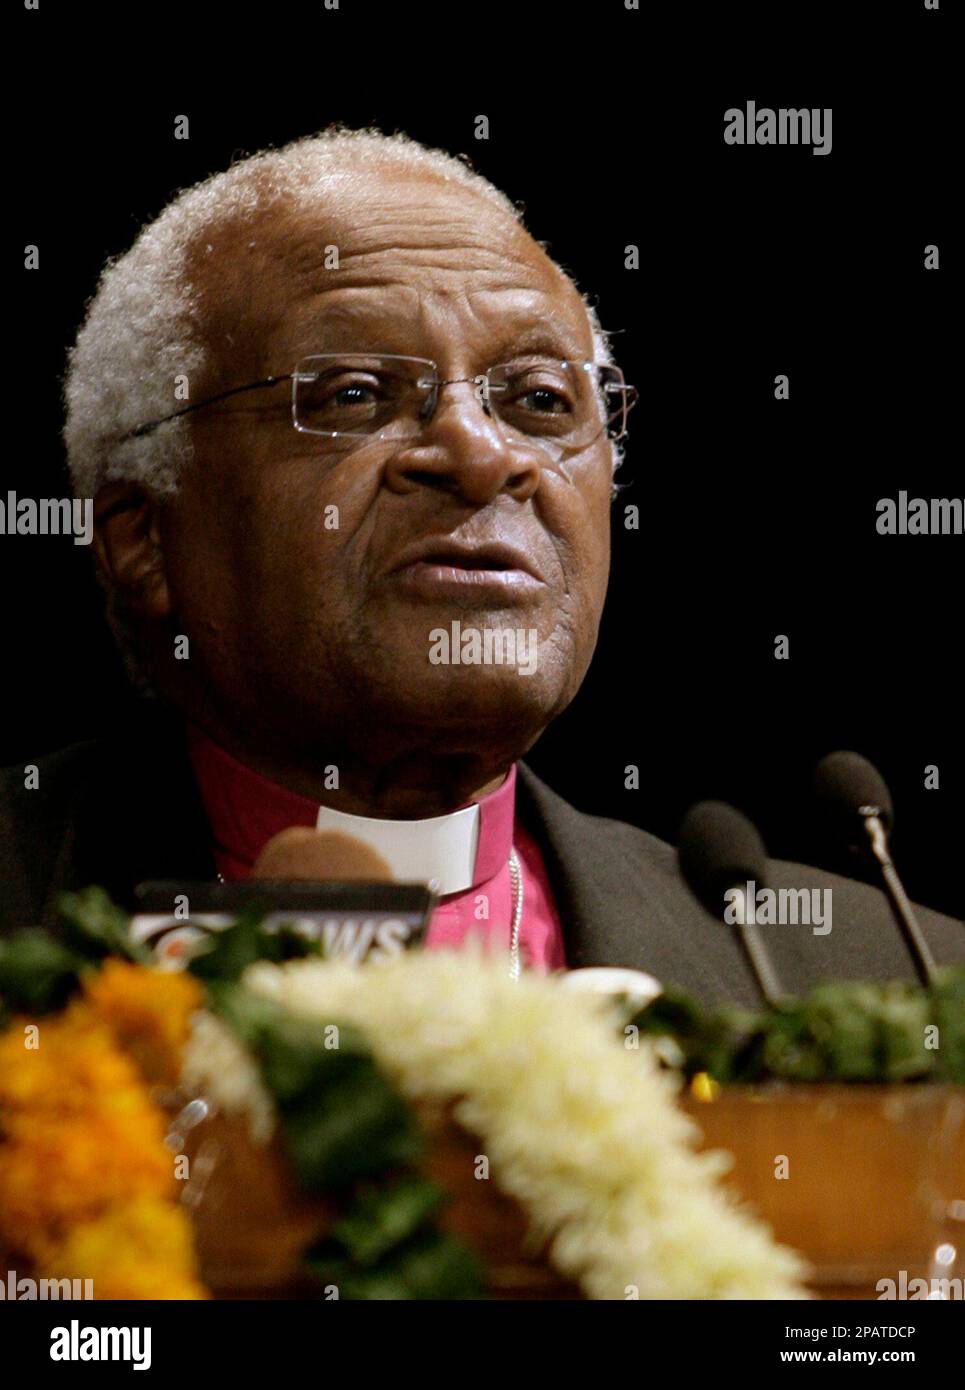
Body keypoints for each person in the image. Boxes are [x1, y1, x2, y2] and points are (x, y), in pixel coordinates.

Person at [1, 128, 960, 1003]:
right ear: (141, 536)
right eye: (353, 394)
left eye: (540, 400)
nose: (481, 454)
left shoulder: (894, 979)